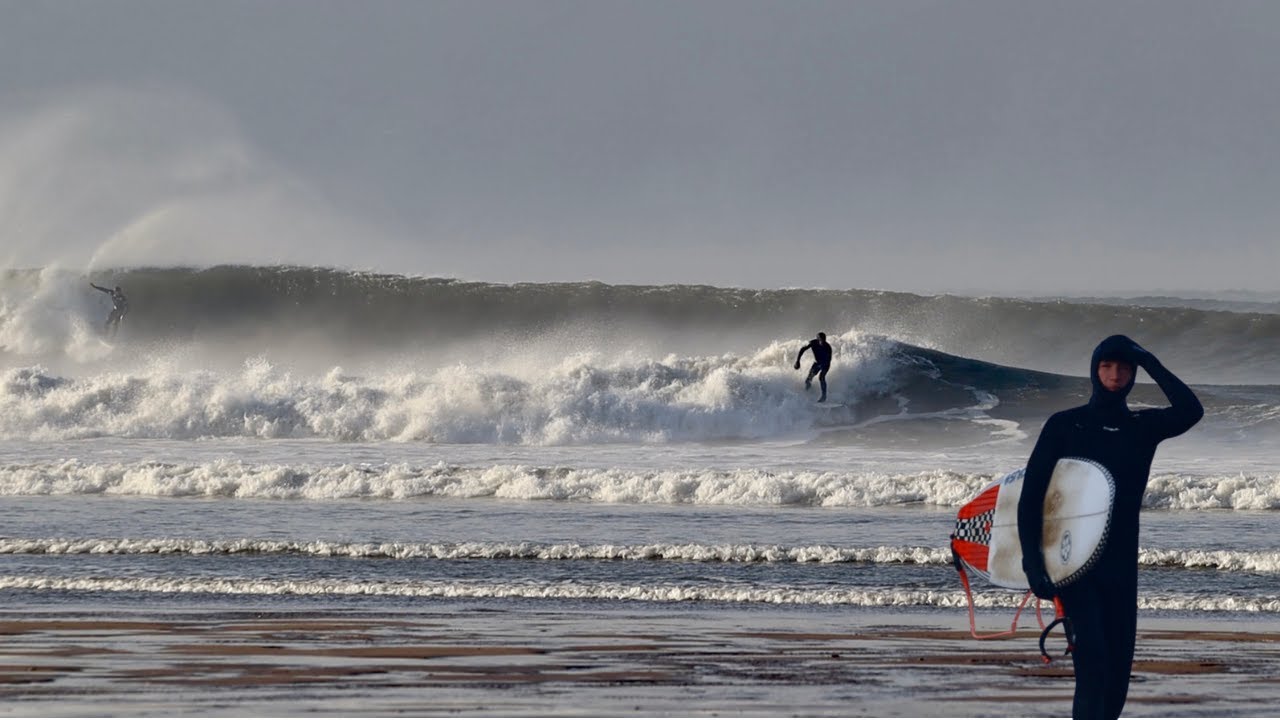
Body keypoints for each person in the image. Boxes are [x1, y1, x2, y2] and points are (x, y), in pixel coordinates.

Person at [1017, 335, 1202, 720]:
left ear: (1133, 374)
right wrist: (1032, 564)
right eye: (1106, 367)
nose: (1114, 375)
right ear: (1093, 370)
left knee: (1117, 677)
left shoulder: (1142, 426)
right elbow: (1031, 497)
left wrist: (1150, 359)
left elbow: (1190, 410)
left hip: (1120, 568)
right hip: (1072, 566)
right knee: (1093, 667)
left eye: (1123, 368)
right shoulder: (1066, 425)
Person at [794, 332, 833, 402]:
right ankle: (807, 392)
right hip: (817, 363)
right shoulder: (812, 343)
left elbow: (829, 360)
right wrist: (797, 361)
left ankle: (824, 396)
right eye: (821, 340)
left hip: (825, 364)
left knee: (821, 377)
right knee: (808, 379)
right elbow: (802, 349)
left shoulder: (828, 347)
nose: (822, 342)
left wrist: (822, 365)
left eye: (824, 340)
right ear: (818, 339)